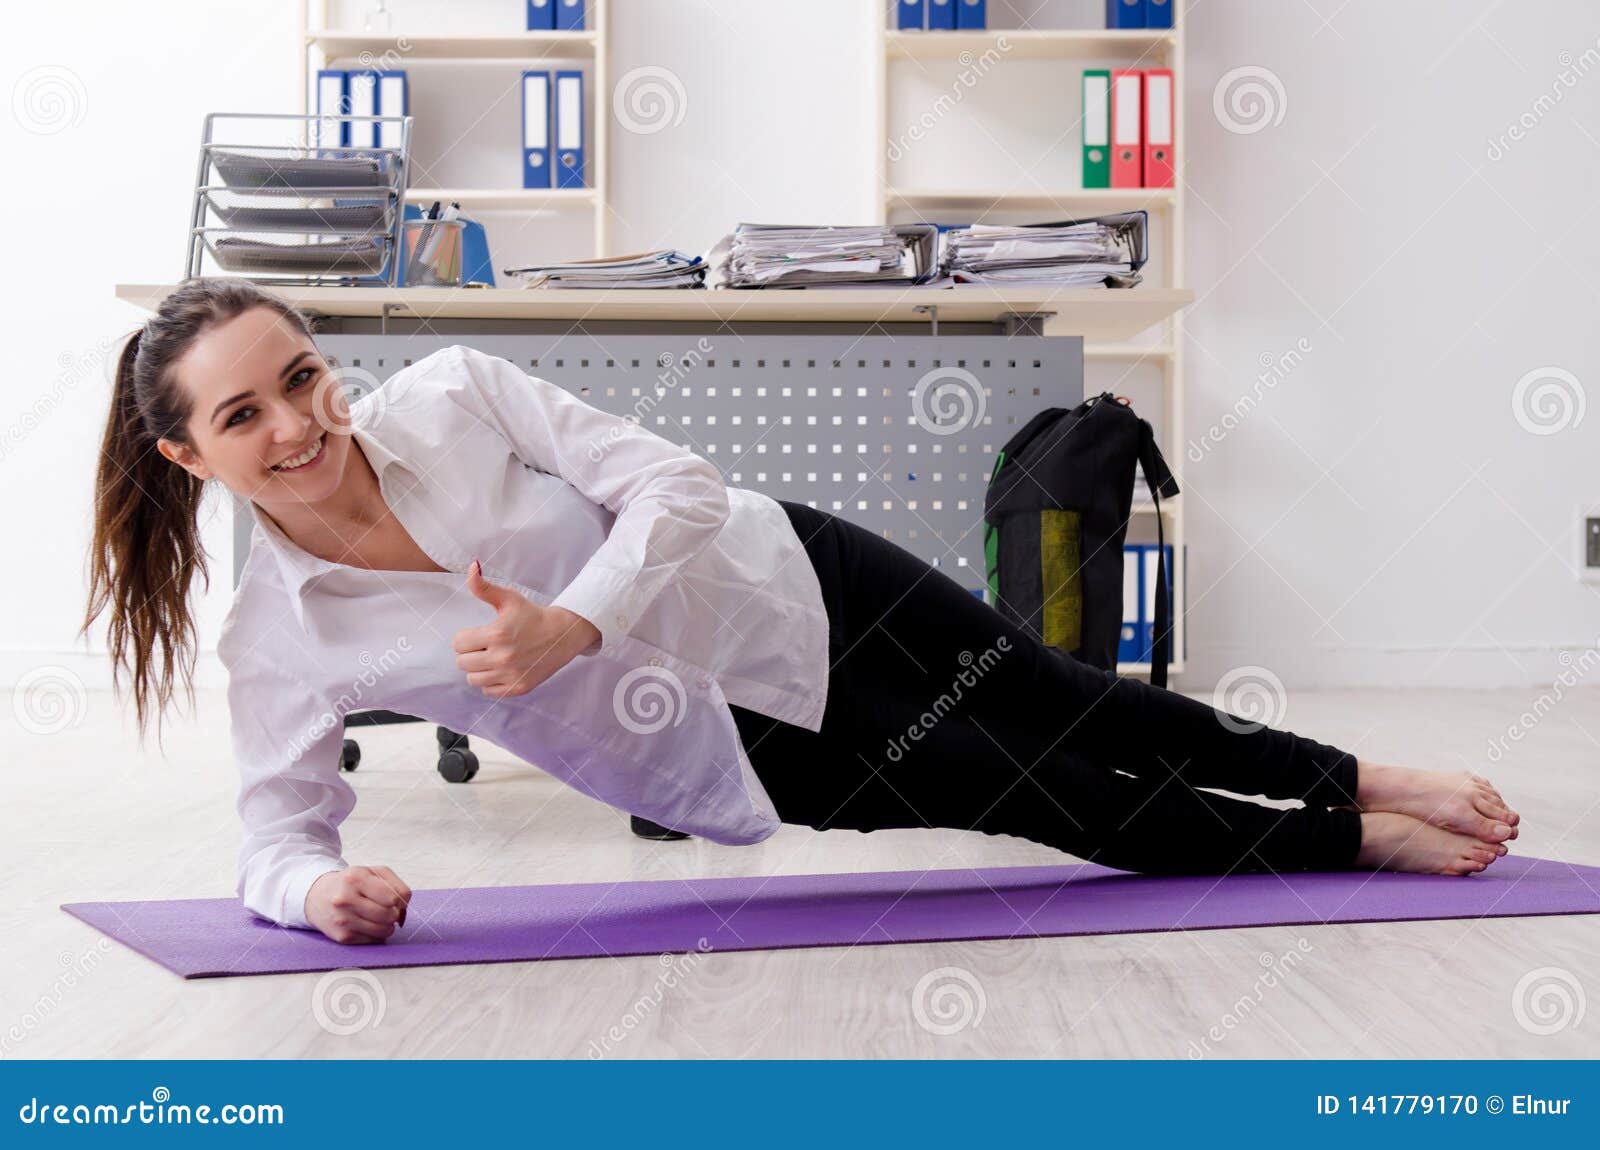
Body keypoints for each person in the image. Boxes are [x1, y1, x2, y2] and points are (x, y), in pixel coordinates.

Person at [82, 279, 1520, 946]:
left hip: (786, 572)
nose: (297, 424)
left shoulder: (451, 394)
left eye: (304, 377)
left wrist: (570, 620)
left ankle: (1362, 772)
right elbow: (273, 835)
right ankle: (1353, 839)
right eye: (242, 413)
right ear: (185, 454)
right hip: (731, 741)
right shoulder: (282, 632)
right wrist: (314, 890)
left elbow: (677, 486)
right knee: (1054, 797)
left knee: (1071, 697)